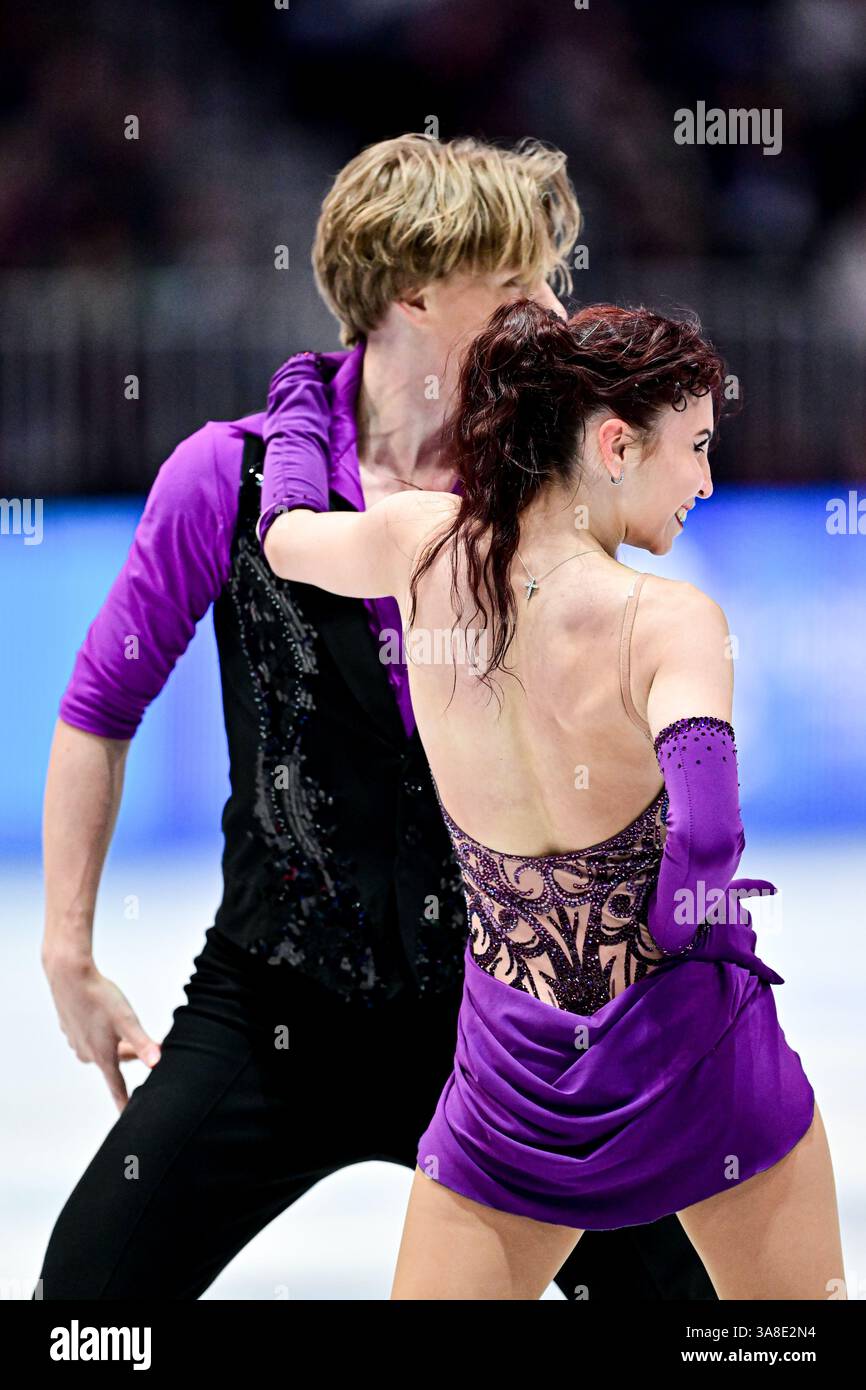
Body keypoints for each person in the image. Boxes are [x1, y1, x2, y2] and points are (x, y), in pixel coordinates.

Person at [34, 132, 714, 1301]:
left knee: (690, 1316)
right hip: (275, 998)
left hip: (513, 1019)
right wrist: (67, 950)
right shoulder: (227, 476)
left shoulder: (556, 489)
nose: (552, 310)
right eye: (516, 285)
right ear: (411, 289)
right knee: (85, 1305)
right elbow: (100, 706)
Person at [259, 298, 846, 1301]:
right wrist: (692, 922)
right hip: (687, 1054)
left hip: (514, 1076)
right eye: (694, 448)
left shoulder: (416, 542)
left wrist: (298, 411)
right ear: (614, 443)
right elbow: (707, 835)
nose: (705, 481)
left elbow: (284, 536)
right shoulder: (668, 621)